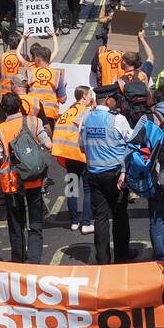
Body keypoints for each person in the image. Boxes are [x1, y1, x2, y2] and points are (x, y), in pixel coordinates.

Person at [0, 91, 51, 263]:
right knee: (35, 223)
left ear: (4, 109)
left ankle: (18, 261)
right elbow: (48, 144)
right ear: (20, 106)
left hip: (12, 182)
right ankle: (33, 261)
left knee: (16, 224)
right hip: (34, 178)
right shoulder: (34, 121)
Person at [80, 84, 132, 264]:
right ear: (109, 100)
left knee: (101, 218)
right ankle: (122, 255)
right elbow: (131, 143)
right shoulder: (118, 120)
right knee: (119, 215)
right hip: (116, 175)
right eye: (115, 99)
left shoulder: (86, 119)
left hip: (94, 174)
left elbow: (81, 146)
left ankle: (102, 258)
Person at [53, 87, 95, 233]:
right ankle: (86, 223)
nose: (91, 97)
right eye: (90, 95)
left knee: (71, 189)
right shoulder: (86, 111)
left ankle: (73, 222)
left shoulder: (68, 111)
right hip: (81, 154)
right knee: (88, 189)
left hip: (68, 155)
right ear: (83, 96)